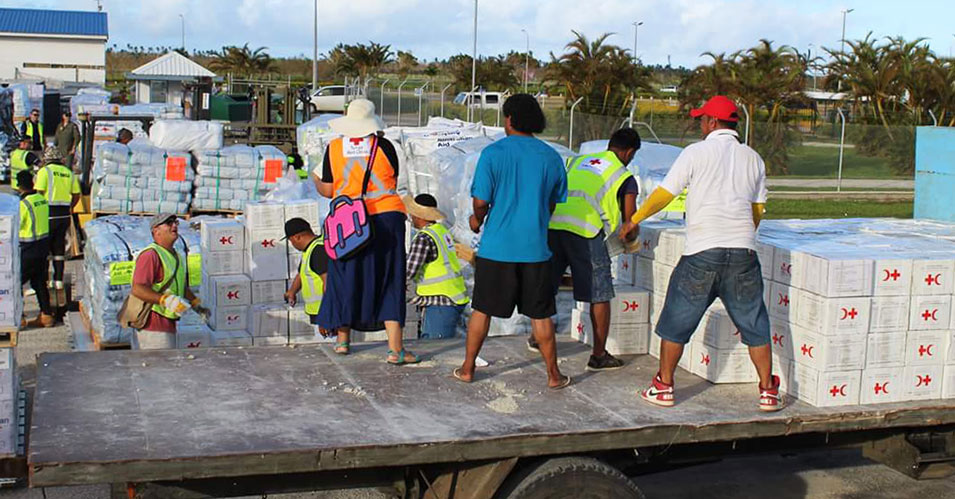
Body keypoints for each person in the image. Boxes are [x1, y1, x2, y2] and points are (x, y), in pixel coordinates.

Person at [619, 95, 780, 412]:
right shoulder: (754, 158)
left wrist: (633, 220)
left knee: (677, 320)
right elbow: (757, 210)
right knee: (755, 324)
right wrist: (743, 234)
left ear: (714, 123)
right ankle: (767, 391)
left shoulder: (696, 153)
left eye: (703, 120)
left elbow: (665, 194)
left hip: (702, 253)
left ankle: (664, 386)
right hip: (743, 253)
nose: (700, 125)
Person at [453, 94, 571, 390]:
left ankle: (468, 368)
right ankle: (554, 375)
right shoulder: (551, 157)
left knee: (483, 310)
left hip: (497, 249)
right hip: (535, 249)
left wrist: (477, 220)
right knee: (541, 315)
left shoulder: (493, 154)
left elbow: (481, 201)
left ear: (509, 119)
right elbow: (552, 203)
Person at [312, 99, 420, 364]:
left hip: (348, 222)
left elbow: (328, 190)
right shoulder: (386, 146)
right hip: (386, 217)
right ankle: (395, 350)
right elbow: (394, 181)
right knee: (389, 280)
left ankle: (342, 341)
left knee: (344, 277)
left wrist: (315, 178)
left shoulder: (334, 147)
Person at [540, 127, 641, 372]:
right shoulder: (623, 176)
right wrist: (632, 238)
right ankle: (598, 355)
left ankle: (538, 337)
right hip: (586, 231)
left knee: (546, 285)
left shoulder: (578, 161)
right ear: (628, 152)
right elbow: (630, 221)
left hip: (554, 225)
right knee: (599, 292)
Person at [129, 214, 207, 349]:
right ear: (156, 230)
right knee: (159, 366)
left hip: (168, 322)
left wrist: (195, 303)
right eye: (168, 223)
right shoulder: (150, 255)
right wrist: (165, 300)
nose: (174, 226)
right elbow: (138, 289)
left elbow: (180, 285)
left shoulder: (175, 254)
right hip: (152, 326)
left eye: (175, 222)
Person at [404, 194, 469, 339]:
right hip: (454, 297)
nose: (411, 216)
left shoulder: (423, 238)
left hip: (440, 303)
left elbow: (408, 272)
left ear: (419, 216)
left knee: (435, 349)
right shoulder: (441, 231)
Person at [34, 147, 80, 295]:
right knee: (59, 247)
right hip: (64, 215)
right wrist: (69, 207)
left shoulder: (44, 172)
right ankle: (58, 280)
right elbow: (76, 194)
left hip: (48, 214)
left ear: (46, 160)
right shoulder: (68, 173)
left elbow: (39, 193)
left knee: (44, 249)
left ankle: (45, 281)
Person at [16, 171, 53, 328]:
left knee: (16, 284)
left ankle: (19, 318)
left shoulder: (23, 204)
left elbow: (16, 225)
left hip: (28, 249)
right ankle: (46, 316)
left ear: (19, 186)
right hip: (43, 248)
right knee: (39, 282)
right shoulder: (42, 200)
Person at [283, 218, 328, 331]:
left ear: (296, 237)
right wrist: (292, 291)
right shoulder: (309, 250)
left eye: (290, 241)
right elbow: (302, 273)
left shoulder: (318, 251)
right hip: (319, 312)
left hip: (325, 313)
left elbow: (328, 283)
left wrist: (327, 316)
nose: (292, 244)